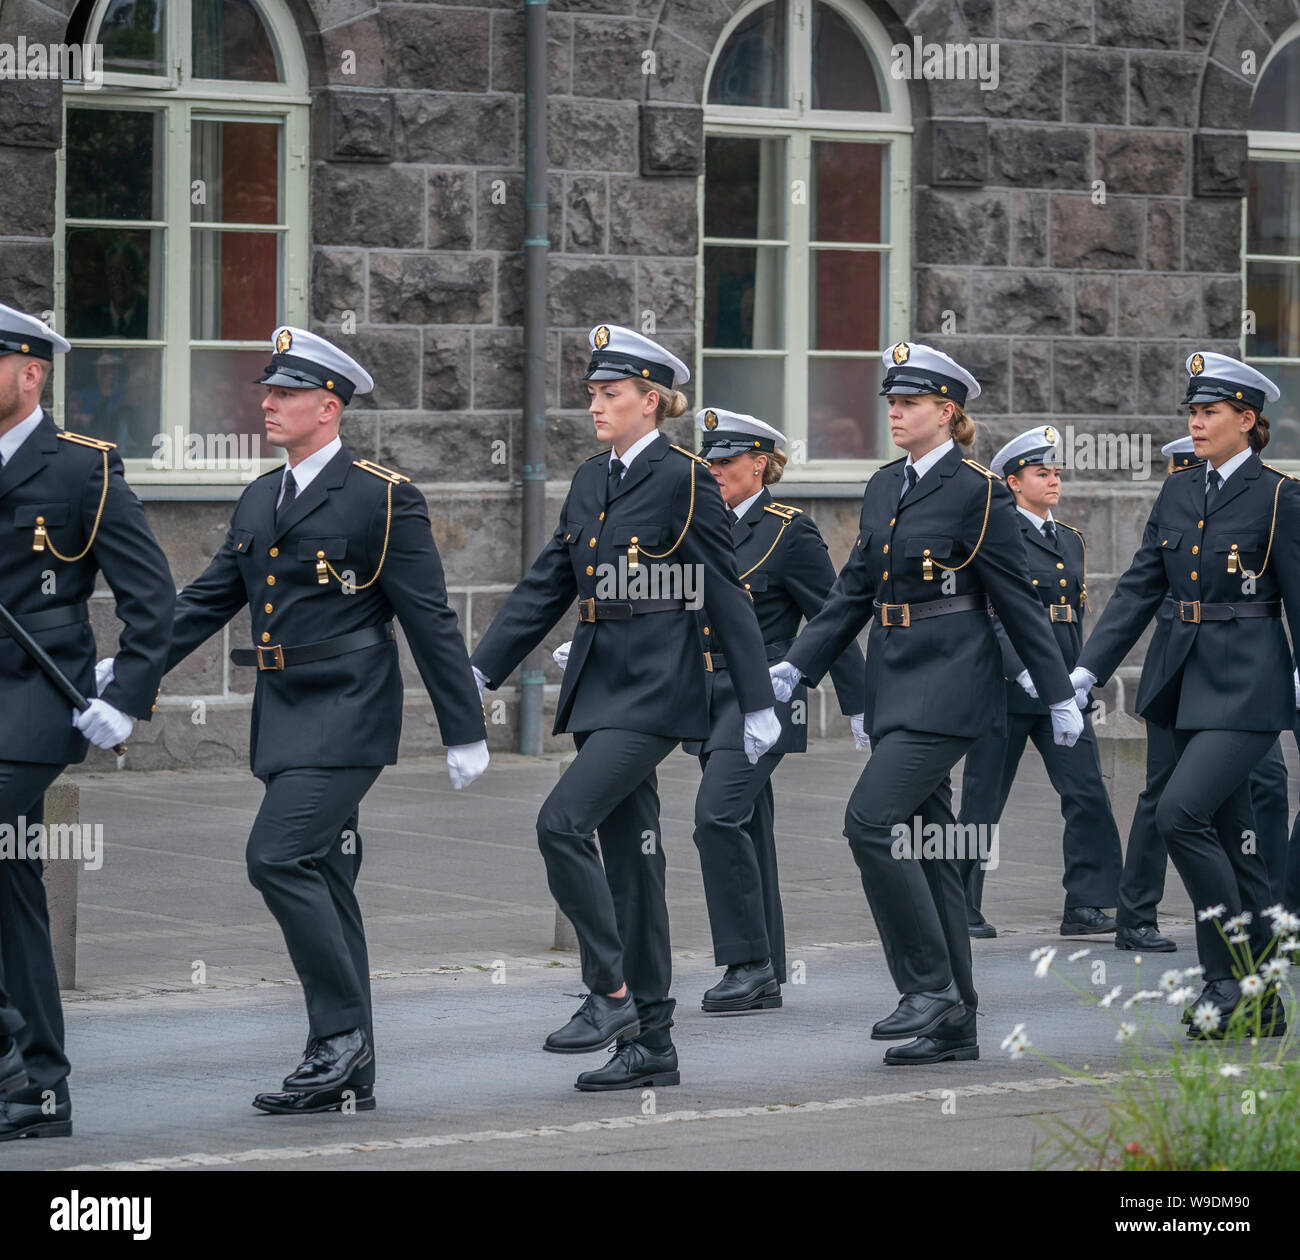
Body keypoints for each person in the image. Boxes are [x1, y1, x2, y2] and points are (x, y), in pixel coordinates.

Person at [150, 327, 489, 1114]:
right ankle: (350, 1070)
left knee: (276, 856)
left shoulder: (382, 496)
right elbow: (207, 600)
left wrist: (463, 726)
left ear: (328, 408)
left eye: (284, 394)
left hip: (347, 708)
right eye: (267, 391)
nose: (266, 403)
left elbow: (429, 619)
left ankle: (337, 1039)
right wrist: (130, 666)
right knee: (328, 878)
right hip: (283, 712)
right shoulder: (262, 495)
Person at [470, 324, 779, 1091]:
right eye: (592, 394)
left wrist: (758, 696)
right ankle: (653, 1044)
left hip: (655, 691)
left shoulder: (685, 477)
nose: (596, 405)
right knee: (636, 867)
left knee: (560, 823)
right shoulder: (589, 476)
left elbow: (724, 589)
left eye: (611, 395)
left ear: (651, 400)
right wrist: (479, 673)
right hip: (600, 684)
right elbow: (550, 582)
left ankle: (608, 992)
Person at [769, 342, 1082, 1066]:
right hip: (895, 680)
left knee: (869, 822)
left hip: (953, 686)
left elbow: (1018, 599)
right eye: (892, 402)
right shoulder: (883, 486)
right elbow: (852, 591)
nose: (896, 412)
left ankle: (926, 986)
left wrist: (1059, 691)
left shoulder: (981, 491)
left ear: (947, 412)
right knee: (932, 849)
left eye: (910, 402)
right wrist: (797, 665)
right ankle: (957, 1024)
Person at [1072, 353, 1300, 1037]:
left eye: (1209, 413)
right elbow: (1142, 585)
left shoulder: (1280, 497)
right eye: (1192, 413)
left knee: (1179, 816)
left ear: (1247, 421)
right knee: (1240, 850)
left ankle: (1225, 977)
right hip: (1180, 684)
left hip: (1249, 686)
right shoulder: (1179, 491)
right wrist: (1088, 669)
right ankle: (1260, 996)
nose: (1196, 422)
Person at [0, 303, 174, 1140]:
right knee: (13, 891)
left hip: (34, 699)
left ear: (31, 374)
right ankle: (37, 1086)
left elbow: (153, 599)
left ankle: (23, 1075)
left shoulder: (81, 469)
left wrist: (127, 695)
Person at [684, 408, 866, 1012]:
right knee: (746, 823)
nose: (712, 472)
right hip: (705, 699)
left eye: (725, 462)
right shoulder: (695, 524)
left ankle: (746, 961)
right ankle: (767, 968)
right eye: (708, 461)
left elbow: (833, 618)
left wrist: (861, 707)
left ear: (759, 464)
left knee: (716, 817)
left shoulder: (790, 532)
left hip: (765, 696)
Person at [955, 426, 1123, 940]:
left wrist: (1076, 676)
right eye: (1040, 472)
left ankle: (1088, 903)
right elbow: (991, 612)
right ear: (1012, 483)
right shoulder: (996, 533)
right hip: (1005, 689)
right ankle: (960, 905)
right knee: (982, 801)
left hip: (1062, 692)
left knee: (1087, 792)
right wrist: (1022, 669)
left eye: (1055, 471)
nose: (1053, 480)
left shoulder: (1068, 539)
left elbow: (1070, 617)